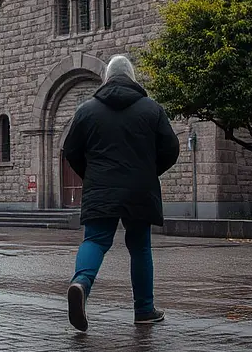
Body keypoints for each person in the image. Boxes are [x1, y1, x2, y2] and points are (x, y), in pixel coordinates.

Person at [62, 55, 181, 331]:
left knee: (95, 240)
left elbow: (71, 151)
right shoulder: (152, 109)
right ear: (133, 78)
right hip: (140, 190)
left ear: (106, 79)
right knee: (140, 247)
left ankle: (81, 283)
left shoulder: (86, 110)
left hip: (100, 188)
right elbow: (171, 149)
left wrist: (90, 175)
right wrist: (149, 172)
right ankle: (144, 310)